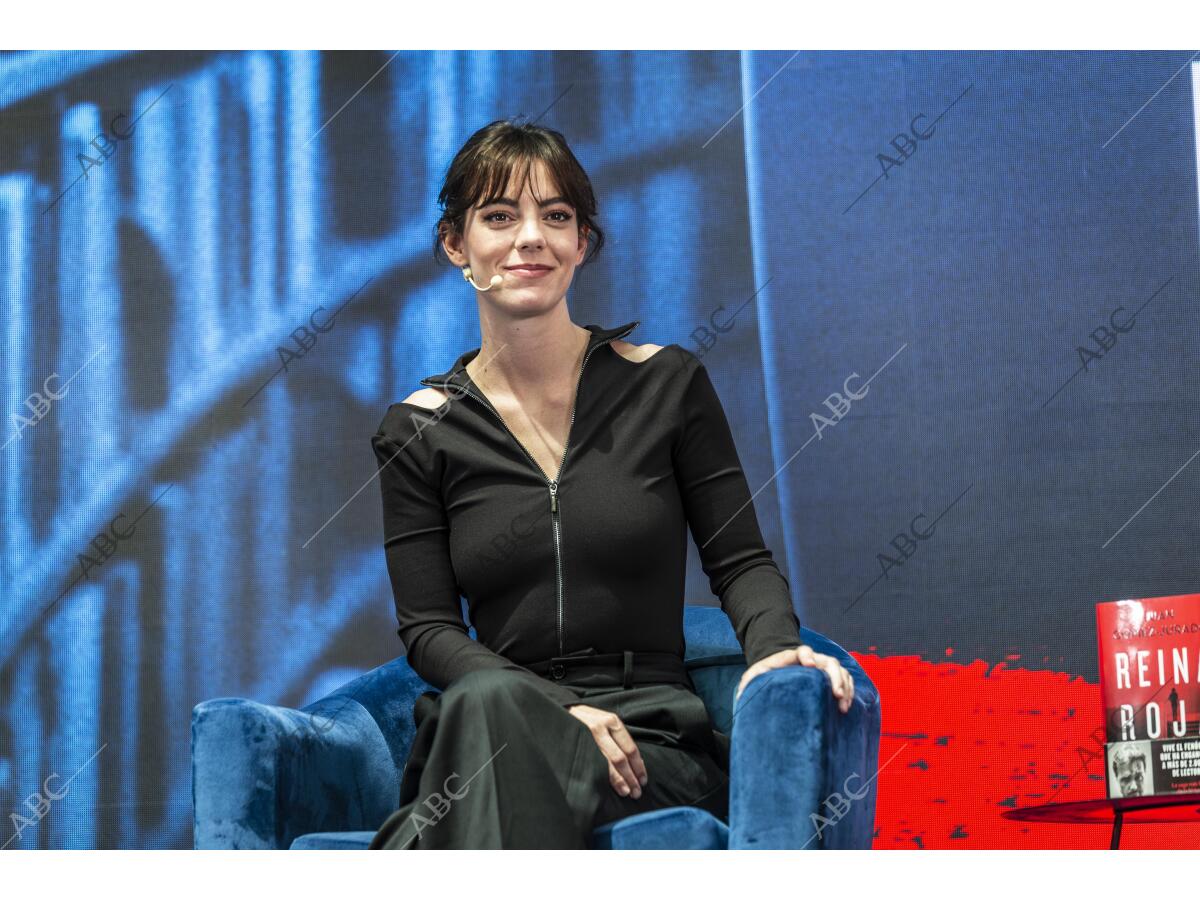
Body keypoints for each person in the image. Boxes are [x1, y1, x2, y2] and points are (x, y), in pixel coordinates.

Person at [367, 117, 853, 850]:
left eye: (555, 216)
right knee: (491, 709)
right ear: (455, 245)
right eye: (499, 216)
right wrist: (555, 706)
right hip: (492, 723)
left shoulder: (666, 384)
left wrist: (776, 646)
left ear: (581, 245)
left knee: (470, 771)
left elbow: (740, 559)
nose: (530, 237)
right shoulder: (417, 429)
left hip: (649, 744)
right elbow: (430, 630)